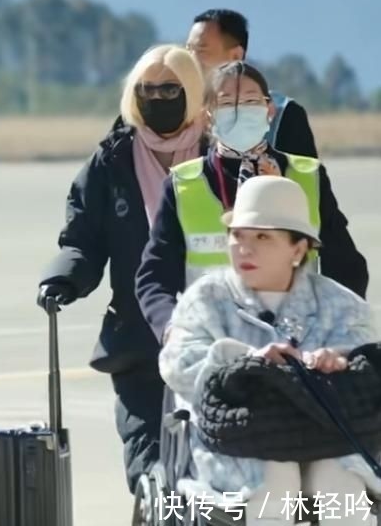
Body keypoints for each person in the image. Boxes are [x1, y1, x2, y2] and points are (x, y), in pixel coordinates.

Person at [160, 175, 380, 526]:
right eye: (238, 235)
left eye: (263, 237)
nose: (244, 249)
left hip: (327, 439)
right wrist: (243, 360)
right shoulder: (205, 299)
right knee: (274, 485)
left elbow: (369, 369)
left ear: (298, 249)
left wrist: (339, 359)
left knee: (341, 490)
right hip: (240, 442)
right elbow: (177, 366)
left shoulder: (341, 305)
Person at [38, 44, 208, 495]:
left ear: (192, 92)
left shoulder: (220, 157)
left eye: (169, 89)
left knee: (212, 462)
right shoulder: (111, 161)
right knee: (148, 458)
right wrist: (62, 277)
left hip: (214, 337)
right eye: (146, 89)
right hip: (138, 339)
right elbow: (82, 239)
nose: (156, 98)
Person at [136, 61, 368, 346]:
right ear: (208, 116)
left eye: (250, 101)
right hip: (214, 347)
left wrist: (336, 333)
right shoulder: (183, 184)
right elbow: (155, 275)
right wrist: (171, 328)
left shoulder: (308, 176)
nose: (239, 111)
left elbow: (346, 266)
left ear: (269, 110)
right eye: (226, 104)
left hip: (297, 344)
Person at [186, 8, 318, 158]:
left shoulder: (283, 116)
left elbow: (306, 171)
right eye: (189, 49)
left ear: (236, 56)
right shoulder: (180, 116)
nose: (190, 59)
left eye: (201, 50)